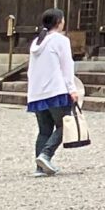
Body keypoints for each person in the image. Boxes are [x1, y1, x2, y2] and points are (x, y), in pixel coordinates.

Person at [26, 9, 85, 176]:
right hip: (55, 89)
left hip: (37, 92)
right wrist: (72, 89)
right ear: (59, 22)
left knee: (44, 130)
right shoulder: (60, 40)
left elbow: (31, 69)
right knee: (64, 124)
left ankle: (40, 167)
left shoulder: (37, 42)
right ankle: (46, 155)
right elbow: (67, 66)